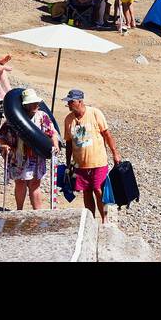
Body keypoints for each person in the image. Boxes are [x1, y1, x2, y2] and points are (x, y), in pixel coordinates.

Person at [63, 89, 121, 223]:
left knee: (98, 189)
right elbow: (69, 142)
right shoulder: (68, 119)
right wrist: (68, 163)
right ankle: (91, 221)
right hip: (80, 164)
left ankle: (104, 219)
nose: (69, 104)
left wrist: (115, 153)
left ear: (80, 101)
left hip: (98, 161)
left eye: (71, 102)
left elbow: (107, 134)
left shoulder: (95, 113)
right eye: (68, 102)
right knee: (86, 192)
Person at [0, 88, 58, 210]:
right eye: (32, 103)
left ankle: (37, 211)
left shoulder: (42, 117)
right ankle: (19, 210)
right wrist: (3, 145)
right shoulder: (14, 118)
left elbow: (52, 133)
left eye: (36, 102)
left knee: (35, 184)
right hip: (18, 156)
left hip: (36, 156)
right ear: (25, 105)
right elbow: (1, 136)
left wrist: (55, 145)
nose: (36, 105)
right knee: (20, 183)